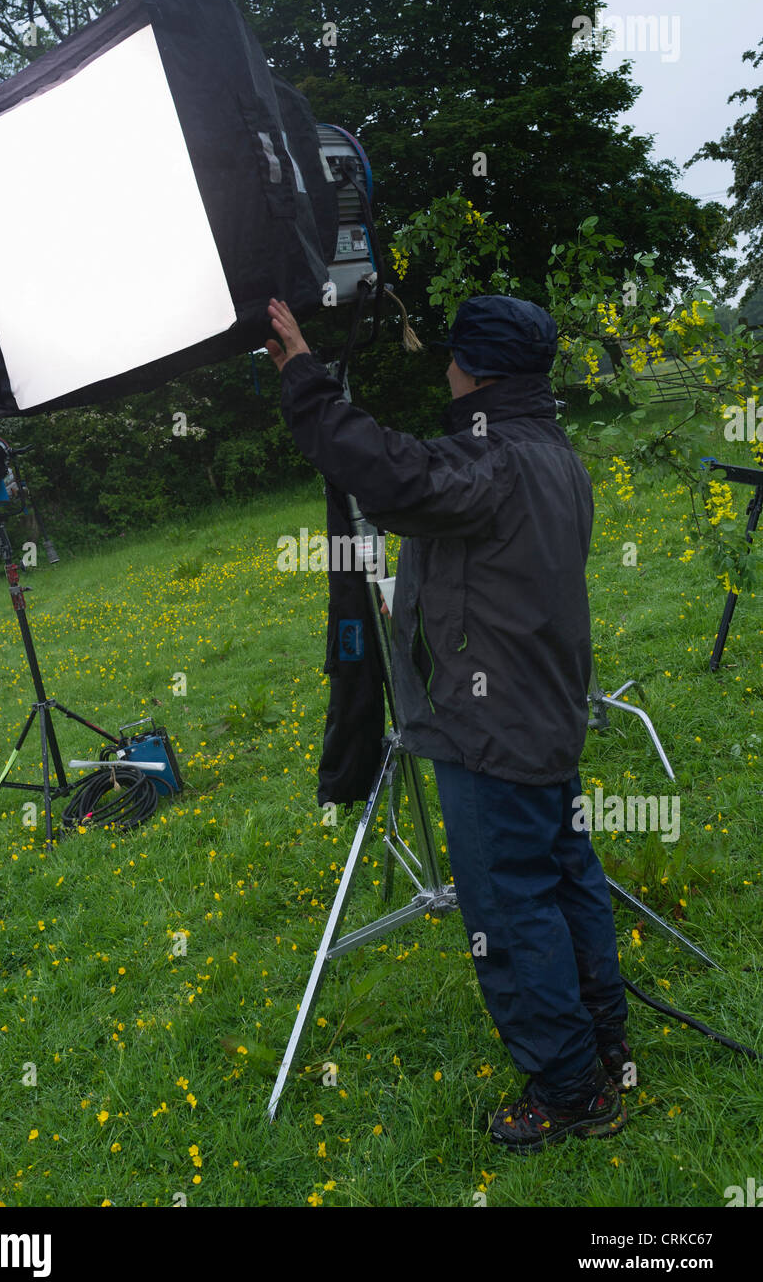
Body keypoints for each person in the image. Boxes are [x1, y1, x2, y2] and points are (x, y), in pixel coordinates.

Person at [266, 293, 631, 1153]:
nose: (442, 366)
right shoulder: (551, 452)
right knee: (567, 880)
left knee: (509, 909)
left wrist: (304, 382)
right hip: (541, 713)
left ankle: (570, 1091)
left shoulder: (493, 461)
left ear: (476, 368)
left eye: (450, 354)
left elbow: (393, 472)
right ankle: (605, 1050)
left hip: (489, 726)